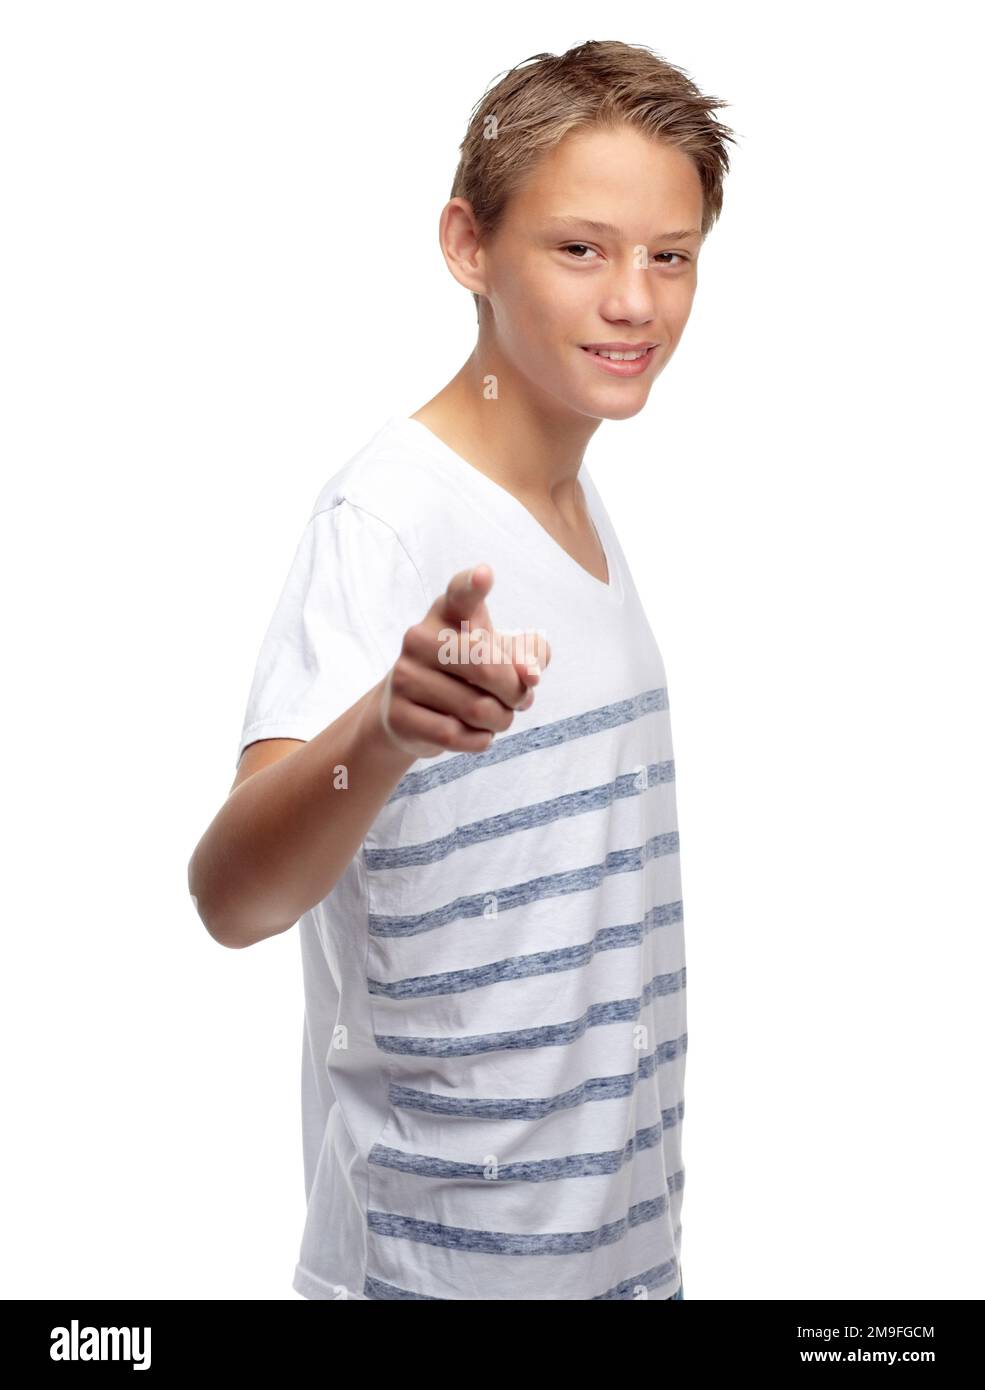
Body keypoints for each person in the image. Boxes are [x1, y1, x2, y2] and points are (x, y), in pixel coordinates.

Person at [188, 37, 734, 1301]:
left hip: (625, 1263)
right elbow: (230, 898)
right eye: (581, 248)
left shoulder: (574, 505)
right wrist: (380, 731)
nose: (635, 302)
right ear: (466, 246)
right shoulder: (386, 521)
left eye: (672, 257)